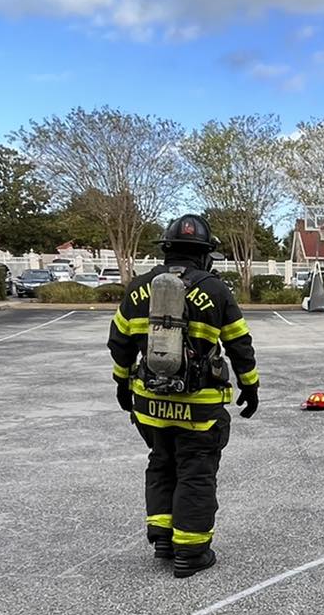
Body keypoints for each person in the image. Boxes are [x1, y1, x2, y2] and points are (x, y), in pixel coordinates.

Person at [107, 215, 260, 577]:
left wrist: (121, 383)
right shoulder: (216, 290)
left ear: (166, 250)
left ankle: (163, 537)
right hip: (199, 409)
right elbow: (239, 343)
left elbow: (120, 343)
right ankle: (190, 552)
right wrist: (250, 385)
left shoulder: (139, 288)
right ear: (205, 255)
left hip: (150, 404)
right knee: (196, 472)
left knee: (161, 462)